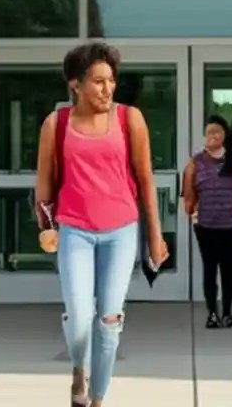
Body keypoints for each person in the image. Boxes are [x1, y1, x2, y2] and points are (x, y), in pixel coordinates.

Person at [34, 42, 169, 407]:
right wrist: (45, 226)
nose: (107, 88)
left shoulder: (130, 119)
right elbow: (44, 186)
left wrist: (155, 236)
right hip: (74, 229)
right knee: (80, 318)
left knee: (109, 320)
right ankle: (79, 368)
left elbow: (145, 180)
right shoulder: (56, 124)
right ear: (75, 84)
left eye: (111, 80)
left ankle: (97, 397)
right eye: (97, 81)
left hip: (121, 231)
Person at [181, 115, 232, 329]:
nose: (213, 135)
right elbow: (189, 195)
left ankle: (227, 312)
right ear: (204, 136)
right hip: (205, 226)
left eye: (217, 131)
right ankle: (211, 314)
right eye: (209, 132)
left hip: (231, 226)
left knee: (228, 271)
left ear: (224, 135)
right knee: (209, 270)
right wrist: (194, 217)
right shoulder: (196, 162)